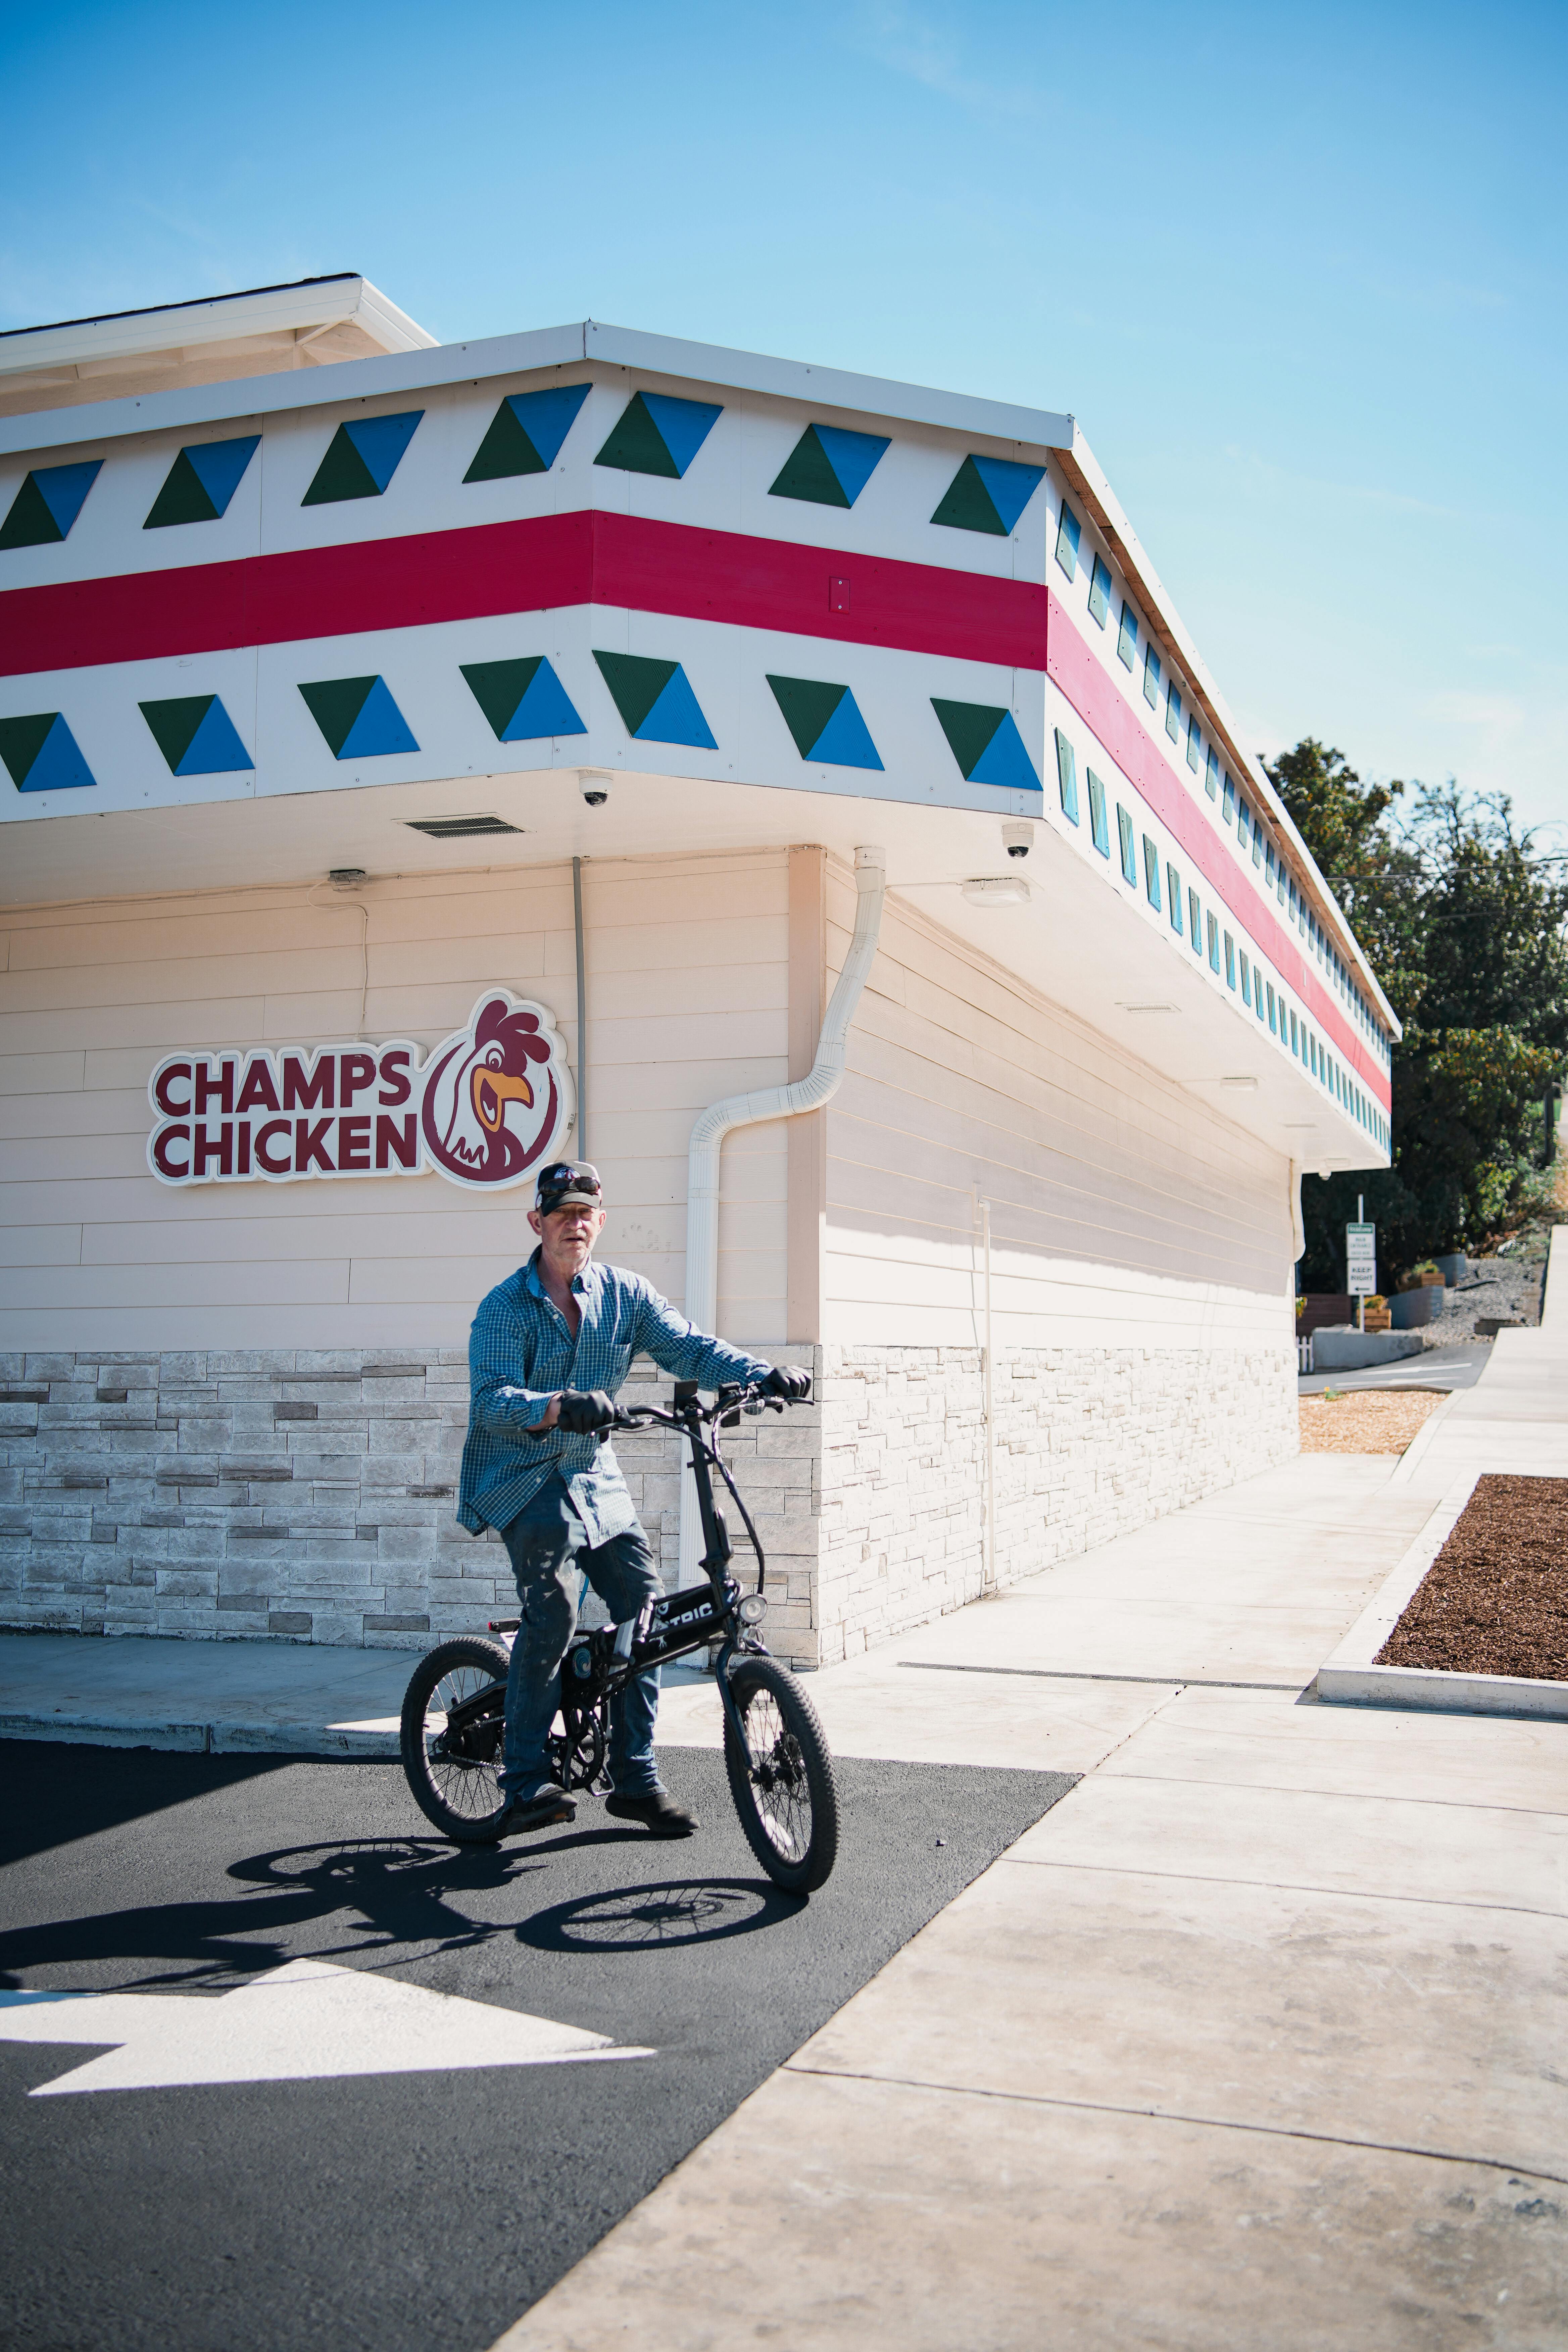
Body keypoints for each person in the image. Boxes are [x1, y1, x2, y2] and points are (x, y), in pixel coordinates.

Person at [458, 1160, 810, 1838]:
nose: (574, 1224)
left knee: (643, 1615)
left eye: (585, 1212)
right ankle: (525, 1778)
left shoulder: (626, 1294)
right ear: (536, 1222)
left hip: (593, 1478)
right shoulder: (504, 1308)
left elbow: (685, 1347)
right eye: (560, 1213)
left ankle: (635, 1778)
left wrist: (758, 1372)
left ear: (600, 1221)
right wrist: (557, 1405)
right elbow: (490, 1401)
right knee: (556, 1612)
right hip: (521, 1478)